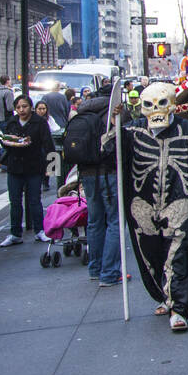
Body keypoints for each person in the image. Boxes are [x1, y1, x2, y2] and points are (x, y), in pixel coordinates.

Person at [118, 82, 188, 331]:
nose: (156, 111)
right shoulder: (134, 131)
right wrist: (114, 124)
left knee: (179, 254)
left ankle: (179, 308)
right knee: (150, 254)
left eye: (161, 104)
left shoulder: (187, 129)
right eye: (149, 105)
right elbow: (109, 152)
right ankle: (163, 295)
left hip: (179, 201)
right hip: (143, 202)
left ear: (172, 106)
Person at [75, 82, 122, 288]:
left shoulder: (82, 110)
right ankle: (109, 272)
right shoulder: (115, 111)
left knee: (94, 222)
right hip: (109, 171)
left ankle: (95, 268)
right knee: (115, 221)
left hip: (86, 173)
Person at [0, 94, 55, 248]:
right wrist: (10, 143)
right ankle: (15, 233)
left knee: (34, 200)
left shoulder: (40, 123)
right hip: (15, 167)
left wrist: (51, 168)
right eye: (18, 107)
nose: (21, 110)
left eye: (24, 106)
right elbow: (7, 141)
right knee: (15, 201)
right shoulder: (12, 122)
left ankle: (40, 230)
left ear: (30, 107)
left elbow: (49, 145)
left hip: (34, 166)